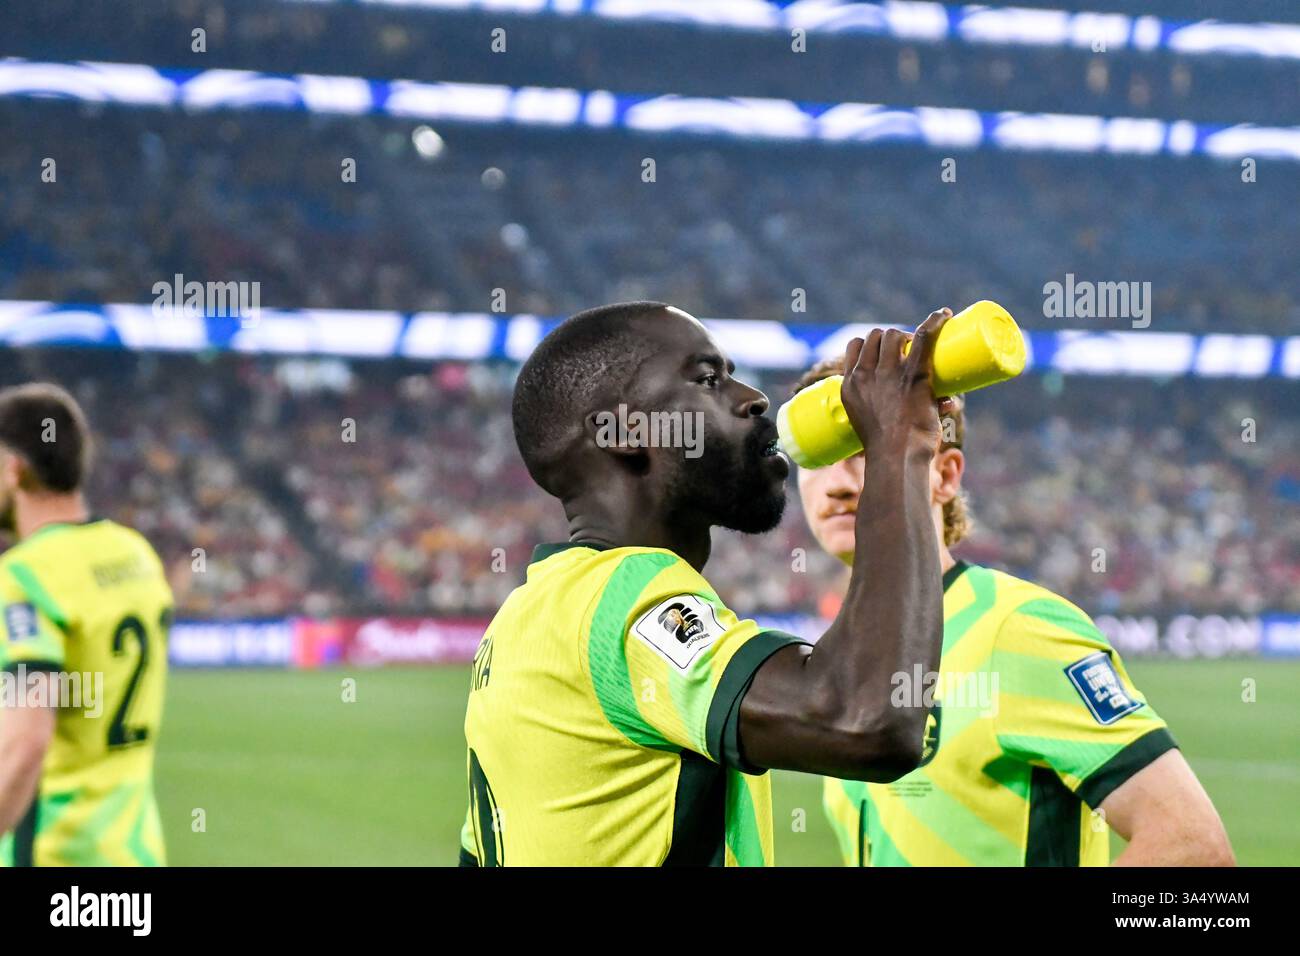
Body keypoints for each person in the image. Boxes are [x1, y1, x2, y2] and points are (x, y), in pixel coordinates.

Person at [459, 301, 954, 865]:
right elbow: (865, 719)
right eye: (708, 379)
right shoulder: (624, 594)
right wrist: (899, 445)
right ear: (623, 431)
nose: (753, 398)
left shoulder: (526, 614)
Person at [792, 357, 1234, 866]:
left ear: (945, 475)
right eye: (817, 456)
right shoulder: (842, 657)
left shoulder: (1018, 629)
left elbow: (1194, 847)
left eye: (863, 449)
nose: (836, 483)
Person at [0, 384, 173, 866]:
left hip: (60, 859)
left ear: (13, 469)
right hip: (135, 855)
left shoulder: (26, 575)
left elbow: (26, 742)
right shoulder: (137, 556)